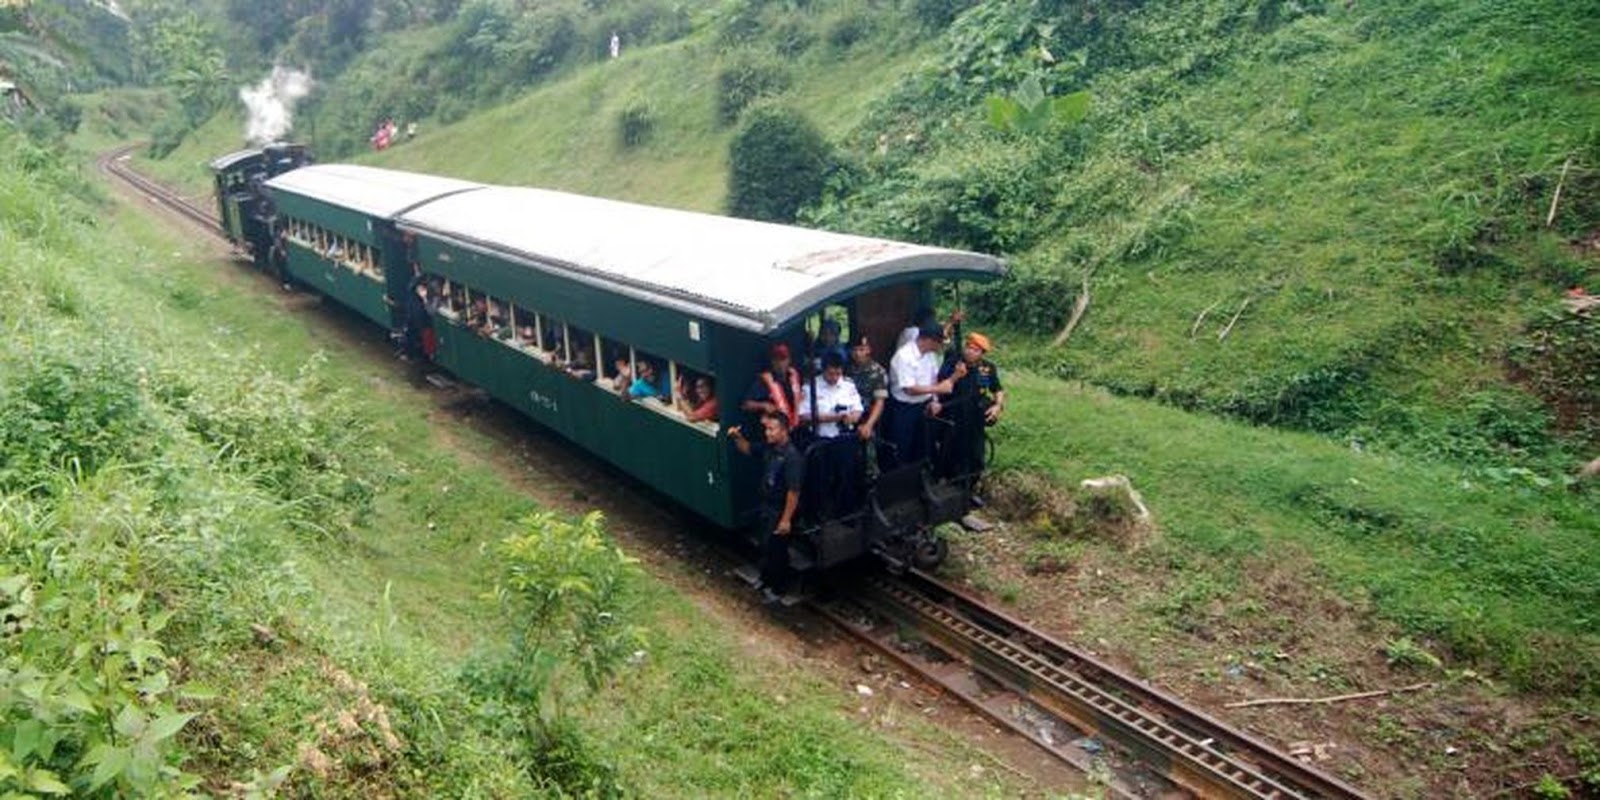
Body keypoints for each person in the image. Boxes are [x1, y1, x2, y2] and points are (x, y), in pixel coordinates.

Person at [729, 414, 803, 604]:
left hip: (779, 510)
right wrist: (737, 437)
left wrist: (786, 519)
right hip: (767, 506)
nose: (767, 433)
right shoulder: (770, 449)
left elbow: (793, 491)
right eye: (767, 429)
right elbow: (748, 449)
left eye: (772, 429)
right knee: (764, 545)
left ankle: (778, 589)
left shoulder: (792, 458)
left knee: (777, 550)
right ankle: (765, 579)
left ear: (784, 431)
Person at [886, 325, 962, 466]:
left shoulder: (930, 355)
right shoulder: (904, 356)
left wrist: (934, 399)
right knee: (903, 446)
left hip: (924, 405)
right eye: (939, 343)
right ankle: (900, 479)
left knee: (922, 444)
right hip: (904, 408)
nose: (941, 347)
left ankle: (919, 478)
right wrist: (938, 389)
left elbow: (933, 378)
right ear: (929, 340)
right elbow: (909, 389)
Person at [799, 352, 863, 513]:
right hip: (821, 440)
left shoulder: (848, 385)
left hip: (844, 438)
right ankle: (818, 515)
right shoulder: (810, 387)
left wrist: (851, 418)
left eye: (838, 373)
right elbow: (803, 416)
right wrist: (833, 417)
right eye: (831, 373)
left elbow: (858, 409)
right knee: (819, 479)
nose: (835, 377)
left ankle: (845, 512)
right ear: (824, 370)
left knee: (846, 477)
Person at [937, 331, 1005, 482]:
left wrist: (998, 406)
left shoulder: (987, 368)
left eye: (975, 350)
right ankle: (944, 481)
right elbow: (941, 385)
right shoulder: (952, 362)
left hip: (975, 417)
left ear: (982, 353)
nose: (970, 352)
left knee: (975, 453)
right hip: (953, 414)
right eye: (968, 347)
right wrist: (955, 375)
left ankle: (971, 485)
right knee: (949, 451)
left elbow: (997, 389)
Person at [844, 334, 888, 481]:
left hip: (869, 418)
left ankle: (873, 482)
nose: (858, 353)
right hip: (847, 417)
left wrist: (869, 424)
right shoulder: (846, 369)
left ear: (868, 349)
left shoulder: (877, 372)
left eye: (862, 349)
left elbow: (880, 401)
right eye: (855, 350)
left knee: (869, 451)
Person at [741, 343, 803, 432]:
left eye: (783, 359)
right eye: (777, 360)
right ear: (772, 362)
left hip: (795, 427)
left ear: (789, 360)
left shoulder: (794, 375)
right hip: (773, 432)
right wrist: (763, 405)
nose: (780, 364)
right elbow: (745, 405)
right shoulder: (764, 380)